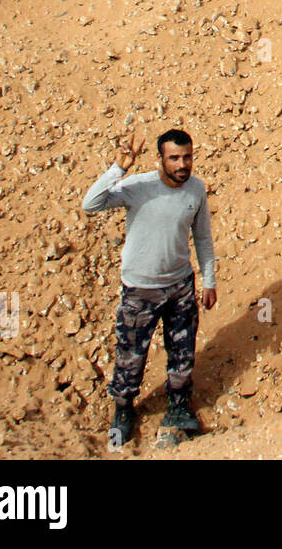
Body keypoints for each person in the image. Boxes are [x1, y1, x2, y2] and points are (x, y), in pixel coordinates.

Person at [82, 129, 217, 446]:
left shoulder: (196, 190)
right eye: (174, 158)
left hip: (180, 285)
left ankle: (179, 406)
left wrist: (209, 280)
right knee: (131, 357)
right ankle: (124, 411)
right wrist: (119, 168)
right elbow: (91, 204)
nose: (182, 164)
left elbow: (203, 238)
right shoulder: (138, 186)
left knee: (182, 354)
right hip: (140, 289)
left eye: (187, 157)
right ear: (161, 159)